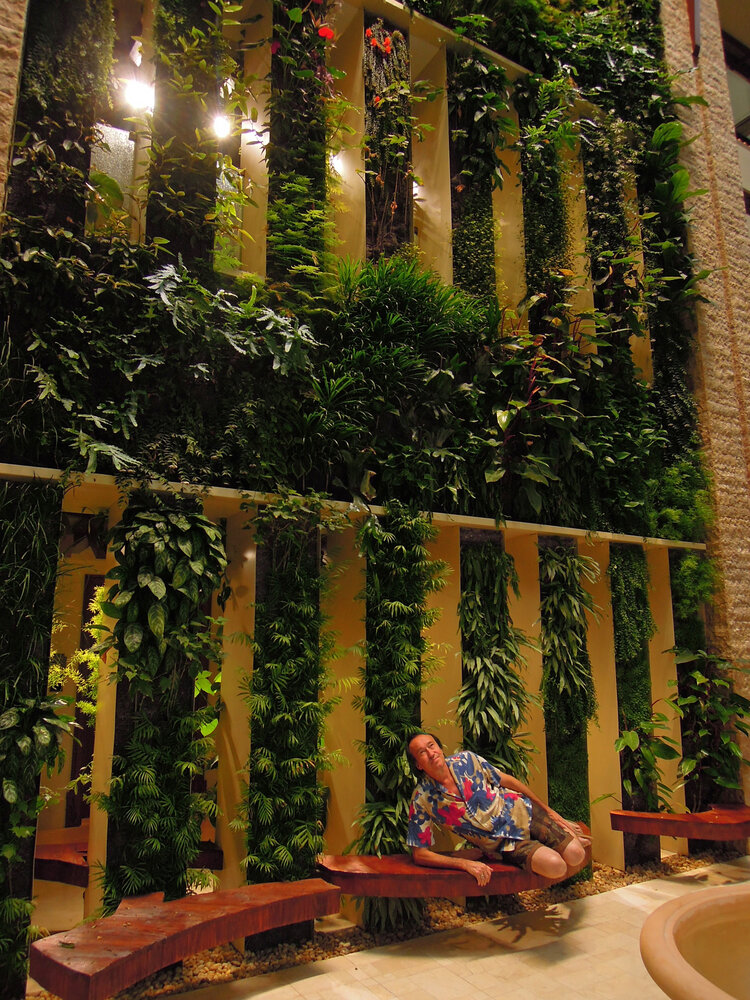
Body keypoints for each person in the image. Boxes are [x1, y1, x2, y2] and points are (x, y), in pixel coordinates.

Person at [406, 732, 590, 887]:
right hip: (503, 844)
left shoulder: (466, 759)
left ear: (440, 747)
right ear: (418, 764)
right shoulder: (422, 799)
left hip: (523, 812)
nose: (431, 753)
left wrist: (551, 812)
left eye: (432, 745)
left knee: (576, 855)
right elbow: (420, 854)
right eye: (422, 752)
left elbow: (507, 780)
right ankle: (562, 838)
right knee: (556, 867)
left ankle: (563, 834)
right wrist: (463, 863)